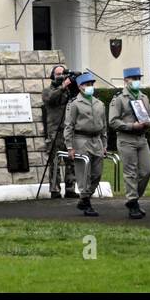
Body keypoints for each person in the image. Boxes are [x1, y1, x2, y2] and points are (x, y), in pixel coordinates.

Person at [109, 66, 150, 220]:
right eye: (134, 79)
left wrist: (149, 123)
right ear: (126, 80)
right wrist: (130, 126)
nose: (137, 81)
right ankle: (132, 202)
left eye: (138, 78)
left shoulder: (144, 97)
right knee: (131, 172)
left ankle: (134, 198)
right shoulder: (119, 99)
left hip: (141, 138)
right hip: (126, 138)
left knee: (147, 171)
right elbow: (113, 121)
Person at [64, 72, 106, 217]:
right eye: (87, 85)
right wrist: (69, 146)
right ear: (80, 87)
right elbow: (69, 126)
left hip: (97, 140)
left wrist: (105, 143)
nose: (90, 87)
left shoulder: (99, 103)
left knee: (97, 174)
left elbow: (103, 126)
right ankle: (86, 201)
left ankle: (84, 199)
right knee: (84, 174)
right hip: (81, 140)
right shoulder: (75, 104)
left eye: (91, 84)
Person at [41, 65, 77, 199]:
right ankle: (55, 190)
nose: (61, 76)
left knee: (71, 161)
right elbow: (50, 99)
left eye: (63, 74)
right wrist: (62, 87)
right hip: (54, 131)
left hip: (68, 131)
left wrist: (73, 82)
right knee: (55, 161)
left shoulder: (68, 91)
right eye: (58, 74)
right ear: (52, 76)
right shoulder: (47, 91)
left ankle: (70, 188)